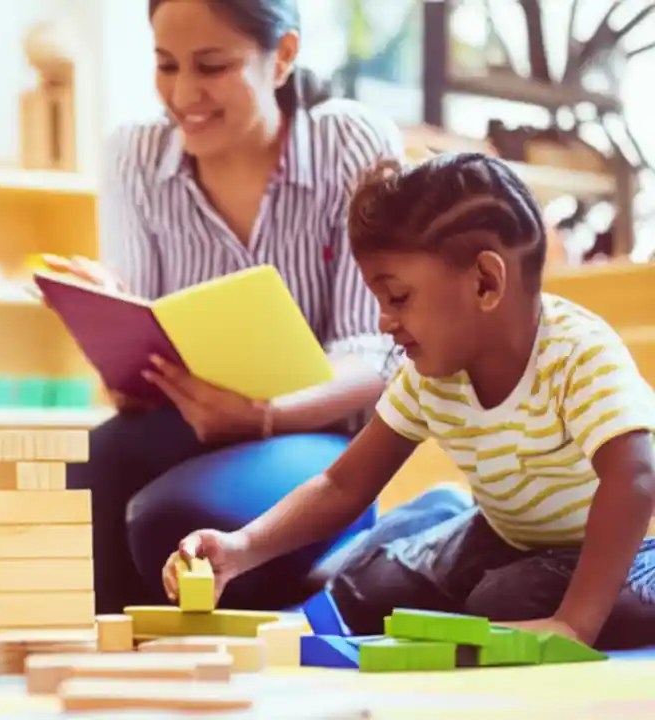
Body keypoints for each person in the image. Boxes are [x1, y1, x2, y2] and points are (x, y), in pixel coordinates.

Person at [164, 153, 655, 650]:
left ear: (485, 282)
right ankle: (441, 515)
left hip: (628, 549)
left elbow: (636, 475)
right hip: (505, 535)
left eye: (397, 298)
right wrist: (241, 546)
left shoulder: (577, 353)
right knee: (360, 596)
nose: (382, 322)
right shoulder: (431, 373)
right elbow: (342, 484)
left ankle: (474, 551)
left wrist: (574, 624)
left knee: (510, 604)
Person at [51, 0, 408, 612]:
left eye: (212, 66)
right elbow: (144, 365)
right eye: (166, 65)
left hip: (321, 442)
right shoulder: (134, 157)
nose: (184, 93)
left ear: (283, 58)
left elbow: (379, 354)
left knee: (175, 523)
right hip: (175, 427)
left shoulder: (350, 141)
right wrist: (117, 348)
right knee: (46, 532)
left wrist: (264, 414)